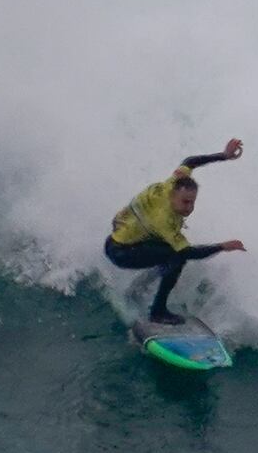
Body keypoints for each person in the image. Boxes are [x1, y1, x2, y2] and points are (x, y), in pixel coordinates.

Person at [105, 138, 246, 324]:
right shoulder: (163, 218)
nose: (189, 208)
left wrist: (224, 155)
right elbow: (188, 252)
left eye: (192, 202)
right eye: (185, 202)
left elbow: (190, 161)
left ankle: (137, 289)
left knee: (166, 251)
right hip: (121, 253)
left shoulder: (173, 183)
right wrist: (222, 246)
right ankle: (158, 312)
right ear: (172, 196)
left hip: (127, 241)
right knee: (176, 257)